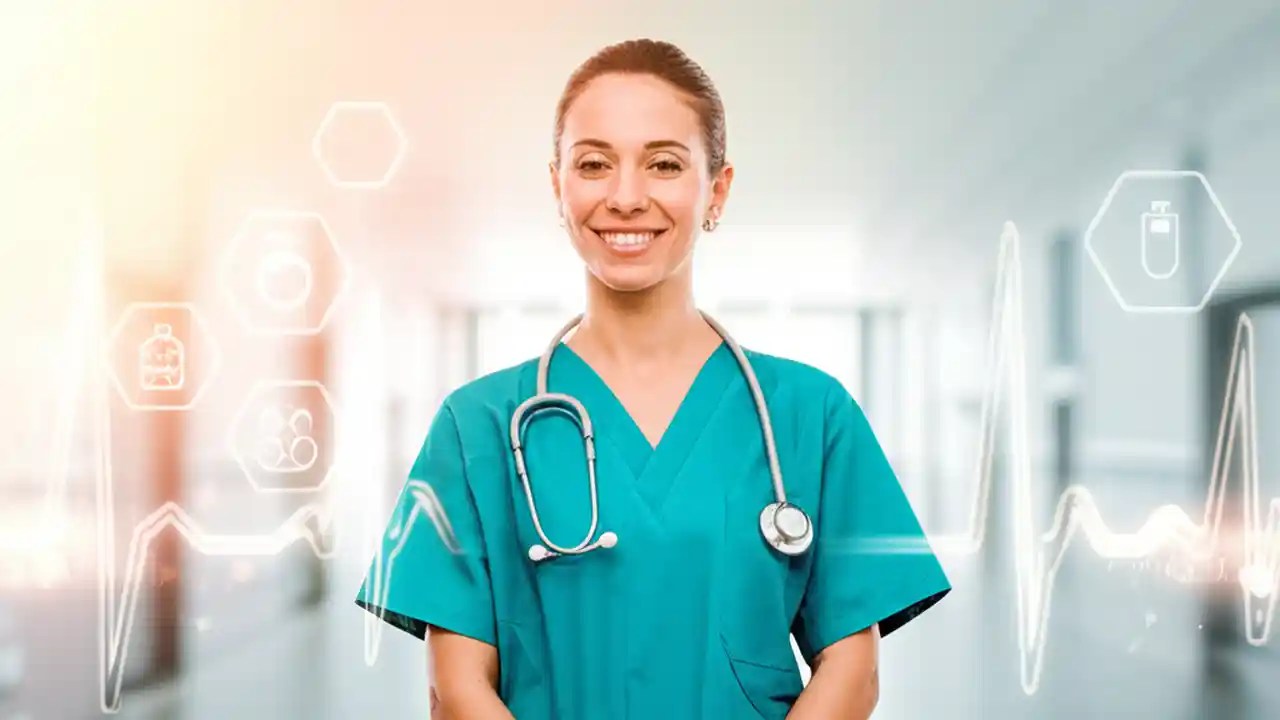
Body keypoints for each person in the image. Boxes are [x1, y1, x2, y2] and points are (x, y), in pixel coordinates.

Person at [355, 38, 951, 719]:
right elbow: (455, 690)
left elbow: (852, 669)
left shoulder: (810, 415)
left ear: (716, 188)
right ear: (558, 186)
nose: (626, 197)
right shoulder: (478, 425)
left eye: (664, 163)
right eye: (593, 164)